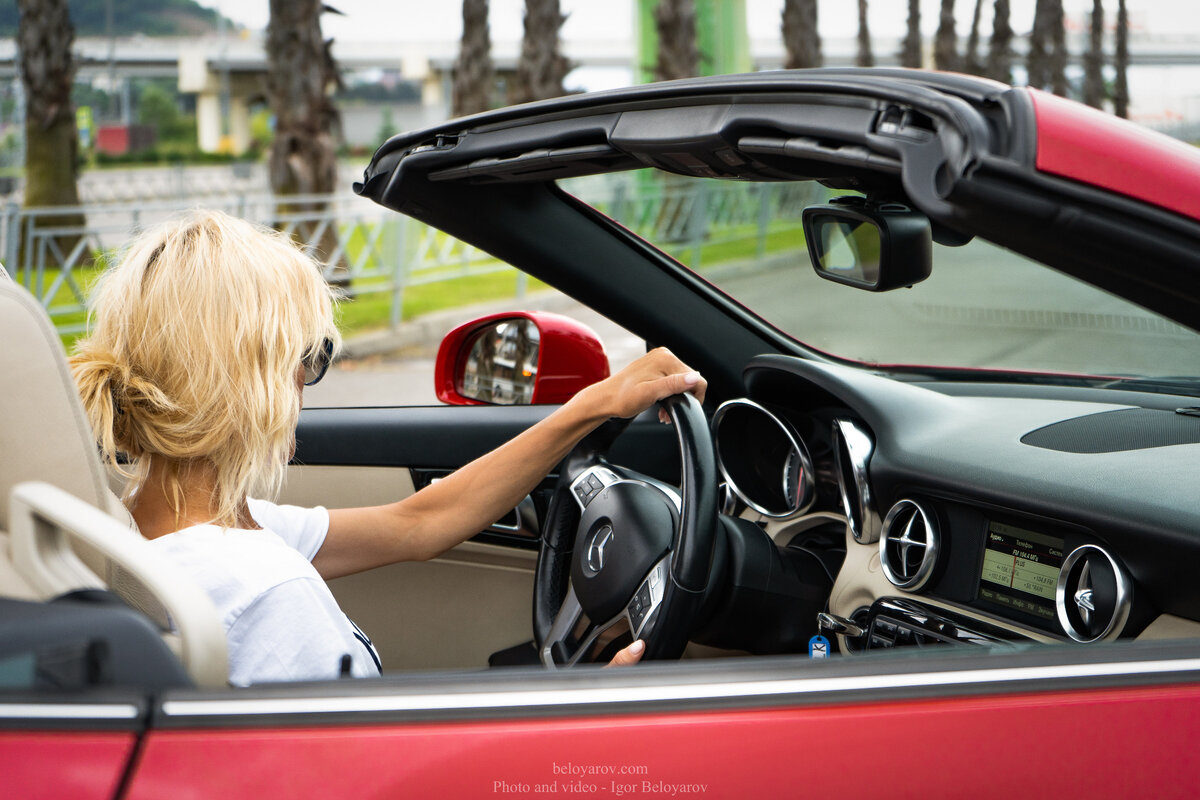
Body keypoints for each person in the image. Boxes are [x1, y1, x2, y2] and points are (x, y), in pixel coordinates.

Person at [69, 210, 705, 685]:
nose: (306, 382)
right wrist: (599, 712)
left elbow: (418, 524)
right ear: (252, 378)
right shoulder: (268, 593)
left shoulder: (151, 527)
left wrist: (589, 406)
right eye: (308, 359)